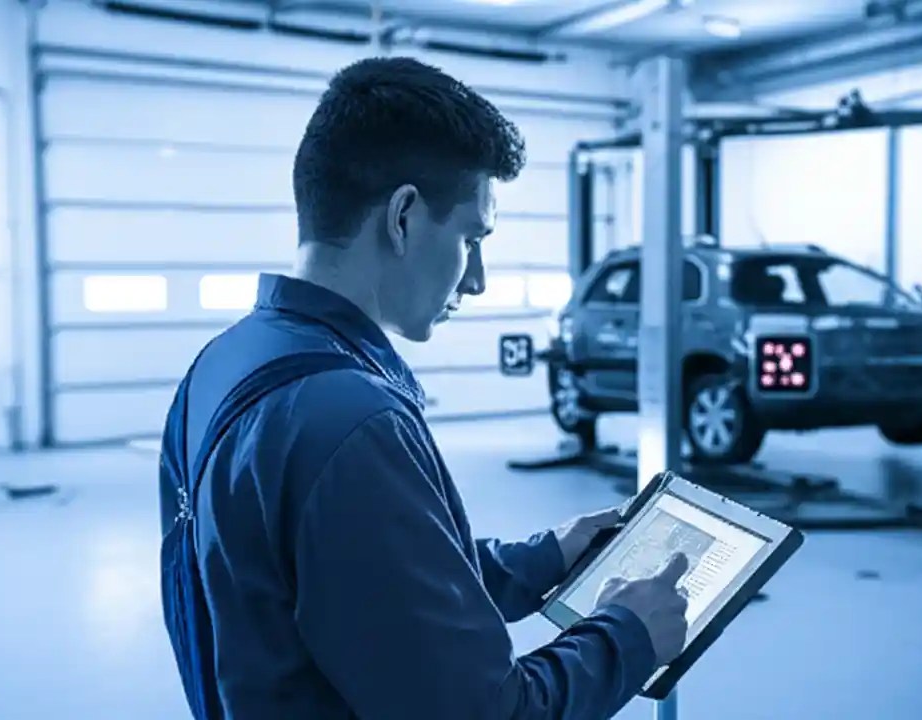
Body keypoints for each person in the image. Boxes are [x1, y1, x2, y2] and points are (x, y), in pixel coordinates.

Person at [161, 56, 691, 720]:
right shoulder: (352, 423)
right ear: (403, 217)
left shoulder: (223, 365)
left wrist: (547, 557)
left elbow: (368, 593)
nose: (477, 282)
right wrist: (628, 637)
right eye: (472, 239)